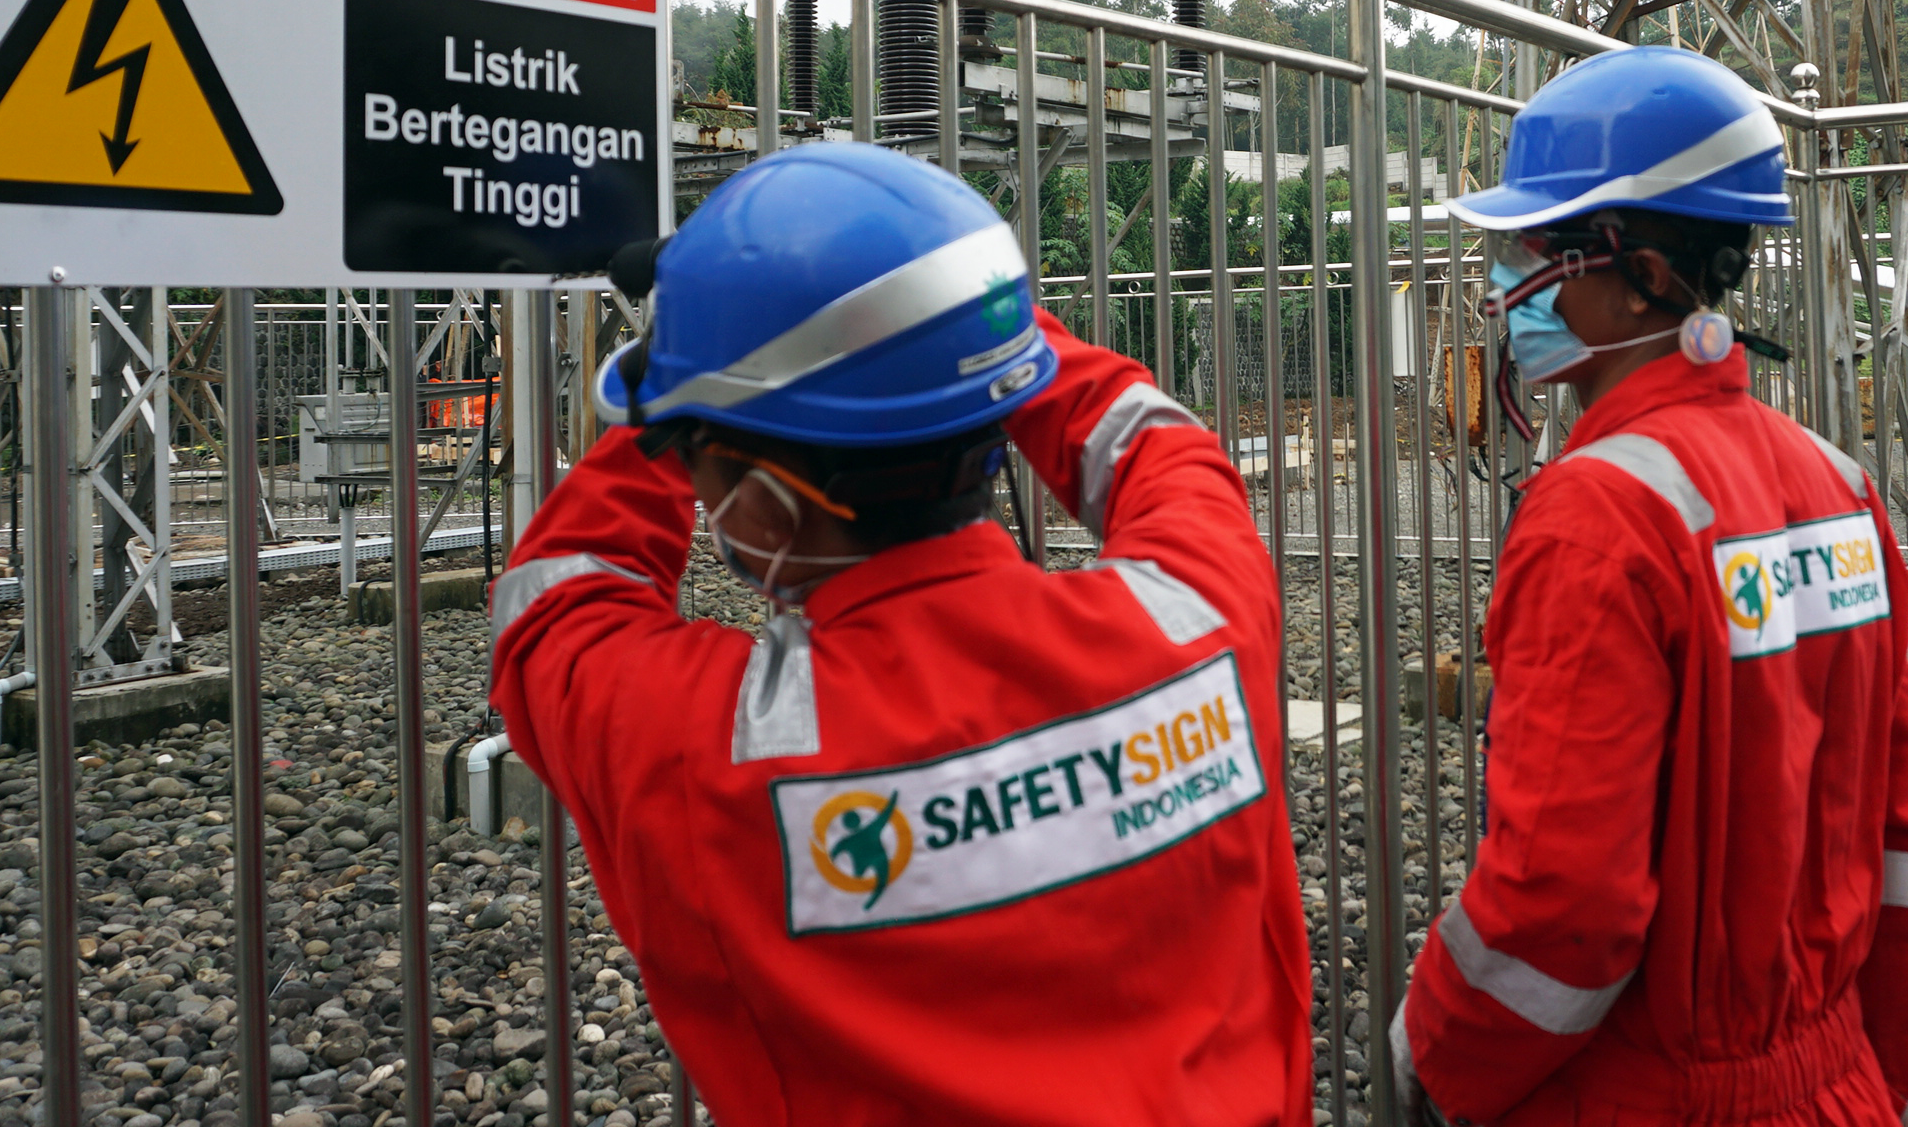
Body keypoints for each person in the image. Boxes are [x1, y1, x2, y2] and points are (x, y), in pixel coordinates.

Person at [489, 143, 1311, 1125]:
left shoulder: (707, 757)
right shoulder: (1198, 616)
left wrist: (684, 365)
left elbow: (557, 598)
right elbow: (1145, 435)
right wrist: (943, 310)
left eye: (697, 460)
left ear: (763, 502)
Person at [1394, 46, 1908, 1127]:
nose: (1501, 287)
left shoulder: (1596, 514)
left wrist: (1437, 1055)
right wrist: (1892, 1081)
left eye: (1528, 247)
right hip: (1834, 1080)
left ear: (1635, 272)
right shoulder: (1837, 485)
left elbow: (1563, 906)